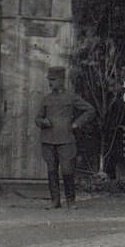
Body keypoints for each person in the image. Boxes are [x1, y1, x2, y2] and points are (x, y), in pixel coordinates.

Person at [34, 66, 94, 210]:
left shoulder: (71, 97)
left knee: (67, 170)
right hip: (48, 140)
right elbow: (37, 118)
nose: (50, 83)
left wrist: (77, 124)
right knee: (51, 170)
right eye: (49, 80)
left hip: (66, 140)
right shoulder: (46, 99)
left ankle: (70, 201)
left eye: (53, 80)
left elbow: (90, 110)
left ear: (61, 80)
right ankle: (55, 201)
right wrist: (43, 122)